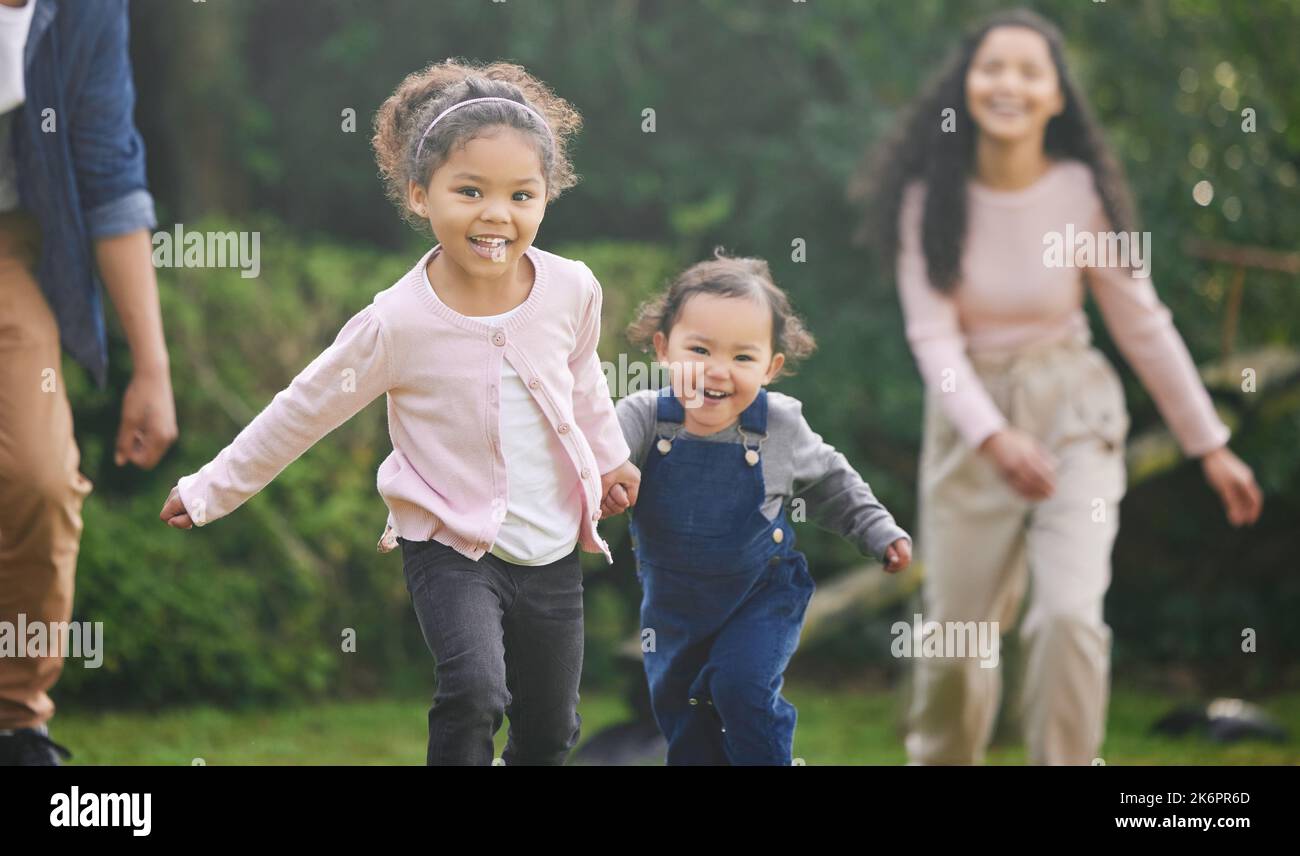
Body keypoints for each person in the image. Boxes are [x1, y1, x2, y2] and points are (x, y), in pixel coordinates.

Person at [159, 60, 641, 766]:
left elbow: (583, 380)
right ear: (421, 194)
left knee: (549, 732)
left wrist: (610, 459)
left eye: (521, 194)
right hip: (446, 541)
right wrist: (211, 489)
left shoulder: (571, 288)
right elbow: (304, 409)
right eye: (469, 191)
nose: (496, 215)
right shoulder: (397, 323)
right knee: (476, 691)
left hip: (549, 549)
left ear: (547, 197)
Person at [854, 8, 1263, 765]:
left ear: (1055, 98)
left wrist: (1211, 446)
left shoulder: (1080, 194)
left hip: (1074, 412)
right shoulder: (927, 198)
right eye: (992, 67)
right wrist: (993, 436)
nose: (1008, 83)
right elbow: (933, 339)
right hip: (971, 423)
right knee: (955, 645)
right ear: (966, 85)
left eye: (1028, 70)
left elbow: (1142, 322)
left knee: (1068, 618)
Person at [614, 251, 912, 765]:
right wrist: (603, 485)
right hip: (673, 608)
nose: (718, 371)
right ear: (663, 349)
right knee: (684, 720)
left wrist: (878, 530)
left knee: (742, 688)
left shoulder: (778, 426)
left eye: (742, 357)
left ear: (772, 367)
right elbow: (597, 461)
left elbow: (832, 483)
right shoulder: (641, 418)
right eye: (700, 349)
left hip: (761, 595)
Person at [0, 0, 175, 766]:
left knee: (38, 476)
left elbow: (107, 172)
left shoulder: (89, 9)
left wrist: (152, 365)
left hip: (9, 248)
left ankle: (14, 722)